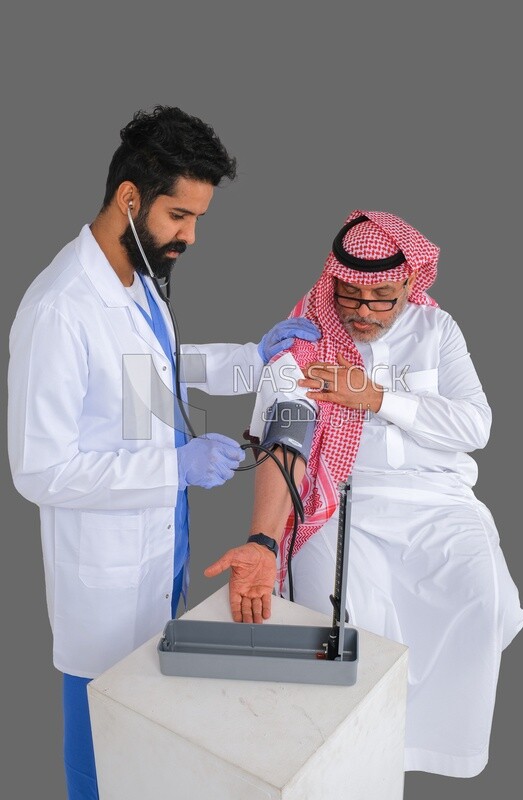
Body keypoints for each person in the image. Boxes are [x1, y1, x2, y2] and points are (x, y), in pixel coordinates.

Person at [7, 105, 319, 800]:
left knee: (143, 746)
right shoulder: (61, 307)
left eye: (199, 218)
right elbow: (38, 468)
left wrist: (249, 357)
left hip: (158, 553)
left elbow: (147, 371)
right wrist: (171, 467)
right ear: (129, 198)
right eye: (179, 215)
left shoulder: (135, 276)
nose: (191, 235)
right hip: (107, 580)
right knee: (99, 756)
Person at [206, 209, 523, 779]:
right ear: (334, 281)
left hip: (439, 501)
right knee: (341, 624)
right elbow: (286, 433)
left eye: (383, 297)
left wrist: (375, 398)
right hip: (345, 498)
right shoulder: (309, 332)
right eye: (350, 295)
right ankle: (360, 764)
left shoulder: (438, 330)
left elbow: (476, 427)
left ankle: (421, 752)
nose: (363, 312)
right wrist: (262, 538)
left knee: (489, 604)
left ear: (410, 282)